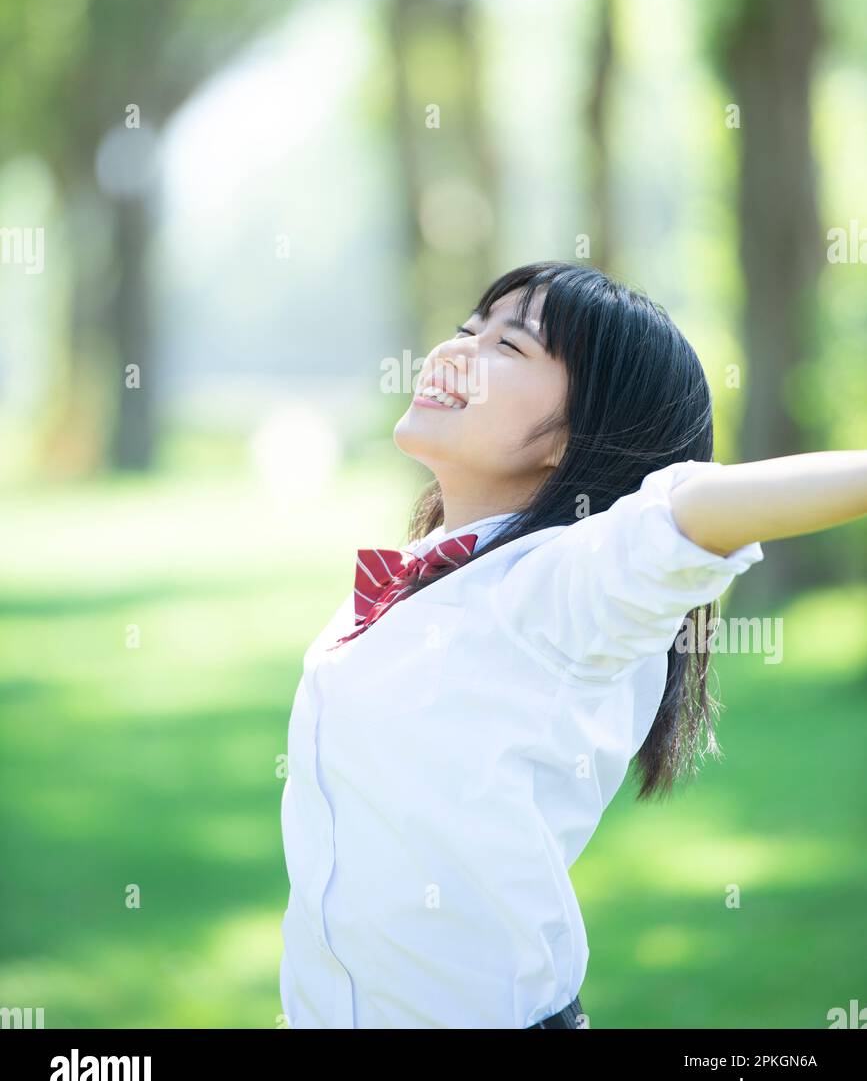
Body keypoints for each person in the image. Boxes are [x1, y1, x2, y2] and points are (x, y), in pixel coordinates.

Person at [278, 260, 867, 1029]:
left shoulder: (563, 591)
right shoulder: (429, 580)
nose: (455, 353)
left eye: (510, 348)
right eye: (467, 330)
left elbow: (685, 516)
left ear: (578, 434)